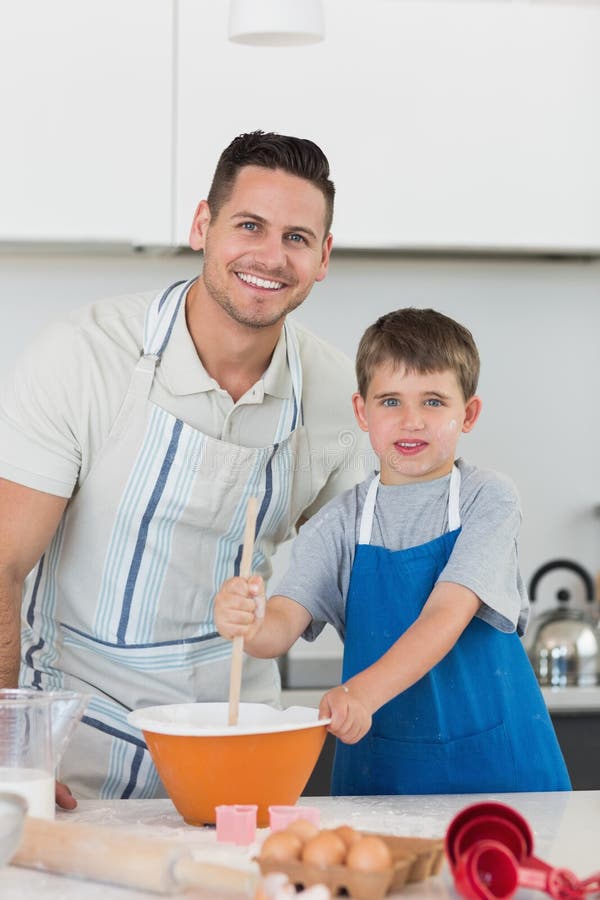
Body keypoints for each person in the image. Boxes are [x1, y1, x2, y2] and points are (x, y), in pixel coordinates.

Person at [0, 131, 366, 805]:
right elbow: (3, 564)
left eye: (297, 237)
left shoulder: (338, 399)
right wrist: (12, 760)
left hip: (238, 757)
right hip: (75, 757)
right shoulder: (85, 358)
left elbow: (369, 581)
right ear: (203, 225)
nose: (270, 256)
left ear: (323, 258)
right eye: (249, 225)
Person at [215, 307, 571, 795]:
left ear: (467, 414)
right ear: (362, 412)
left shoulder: (487, 498)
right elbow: (280, 626)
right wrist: (248, 622)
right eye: (390, 402)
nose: (411, 422)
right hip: (385, 776)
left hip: (500, 771)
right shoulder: (337, 524)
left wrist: (361, 693)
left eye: (433, 401)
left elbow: (447, 614)